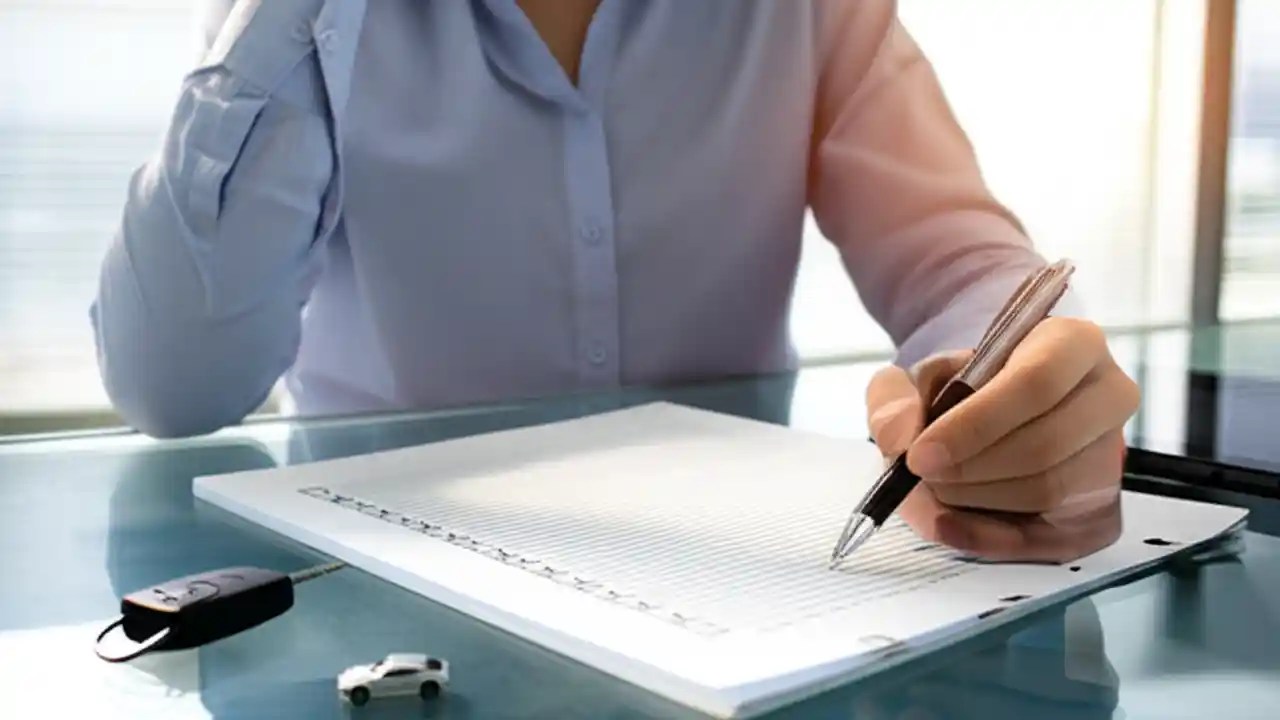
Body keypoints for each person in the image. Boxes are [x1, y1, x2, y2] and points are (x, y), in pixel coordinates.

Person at [89, 0, 1139, 562]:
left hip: (736, 585)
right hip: (379, 579)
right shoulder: (306, 20)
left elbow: (954, 257)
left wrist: (1027, 391)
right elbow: (176, 384)